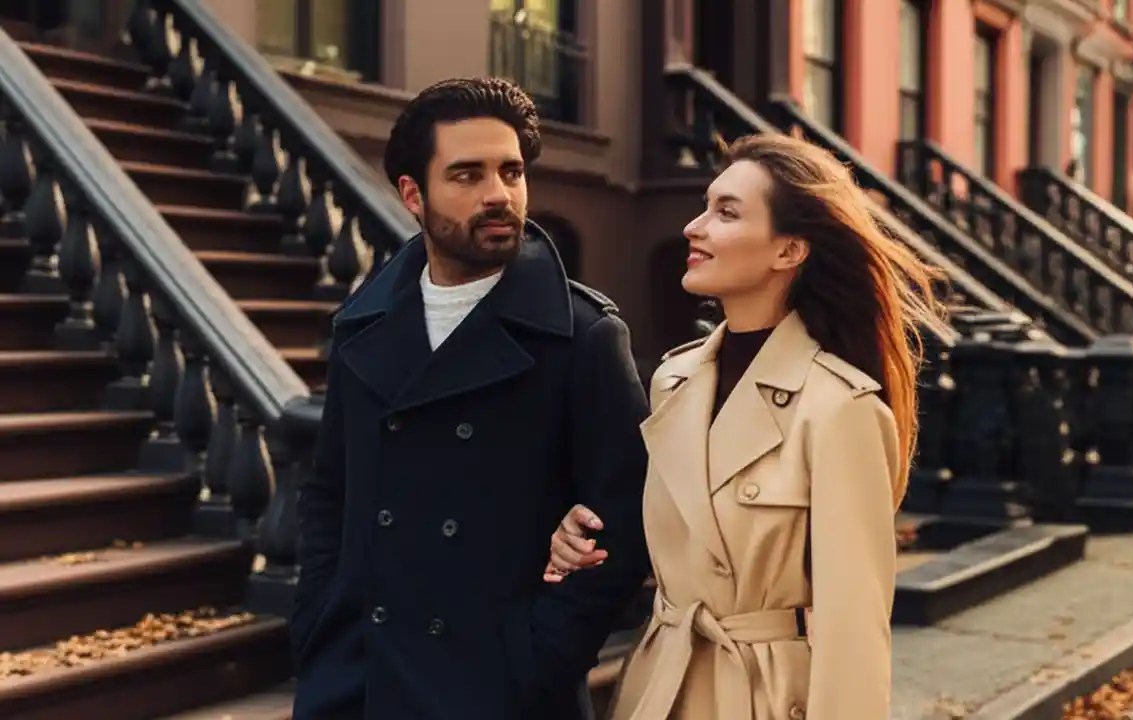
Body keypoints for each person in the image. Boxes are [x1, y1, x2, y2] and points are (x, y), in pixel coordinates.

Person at [544, 132, 949, 719]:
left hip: (765, 696)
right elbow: (658, 535)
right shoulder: (675, 380)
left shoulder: (840, 410)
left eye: (726, 213)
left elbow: (855, 630)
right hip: (661, 686)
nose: (694, 227)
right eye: (705, 206)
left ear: (789, 251)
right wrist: (572, 537)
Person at [291, 77, 652, 720]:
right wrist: (319, 629)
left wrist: (536, 663)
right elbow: (330, 497)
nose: (498, 195)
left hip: (501, 694)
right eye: (466, 175)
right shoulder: (361, 329)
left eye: (511, 171)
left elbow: (619, 533)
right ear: (412, 195)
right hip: (361, 685)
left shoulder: (583, 337)